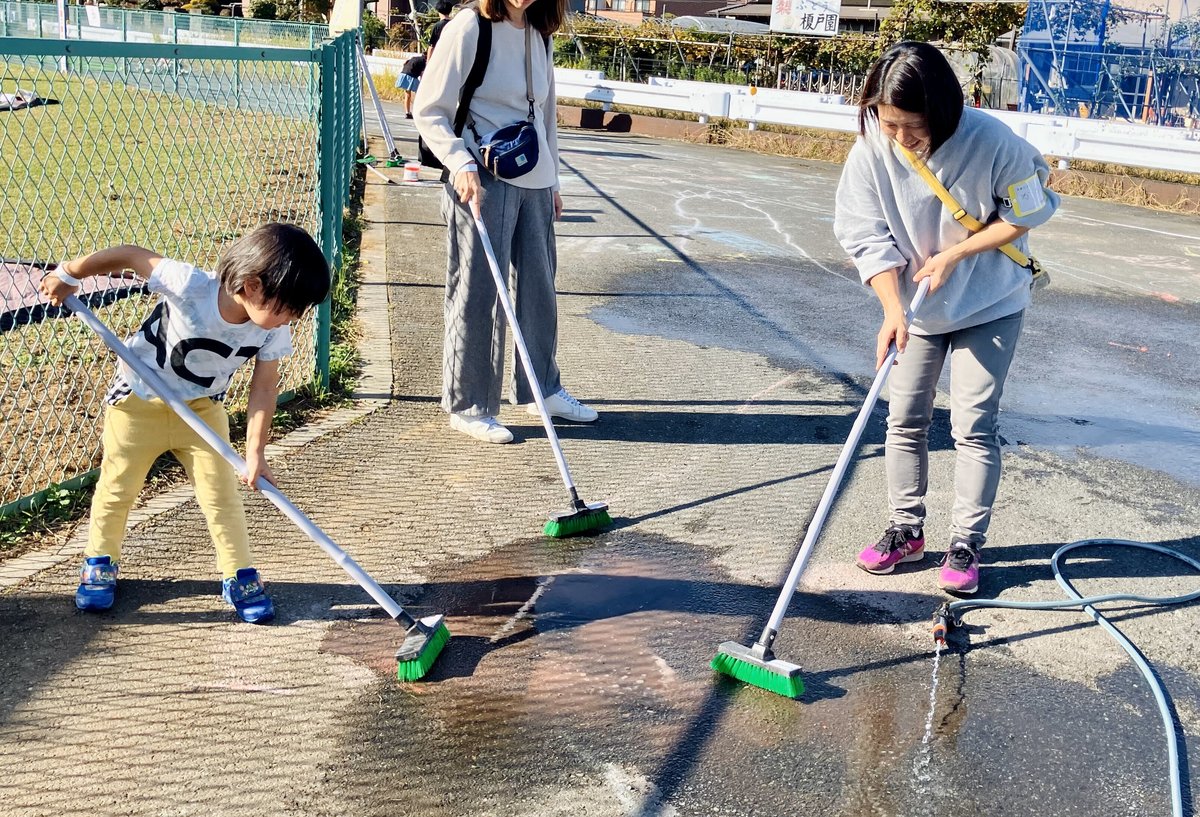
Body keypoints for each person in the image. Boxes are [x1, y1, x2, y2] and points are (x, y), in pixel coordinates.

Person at [833, 41, 1059, 594]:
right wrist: (892, 308)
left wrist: (956, 254)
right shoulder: (873, 146)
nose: (901, 137)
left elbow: (1027, 212)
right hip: (917, 306)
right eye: (889, 123)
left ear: (944, 108)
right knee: (904, 417)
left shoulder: (994, 142)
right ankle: (906, 530)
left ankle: (965, 543)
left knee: (973, 423)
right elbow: (864, 233)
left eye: (913, 126)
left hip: (990, 302)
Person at [39, 223, 331, 621]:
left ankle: (238, 573)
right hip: (136, 405)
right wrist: (69, 273)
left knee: (221, 495)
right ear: (252, 286)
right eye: (290, 307)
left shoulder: (272, 332)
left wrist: (256, 452)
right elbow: (131, 255)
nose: (293, 318)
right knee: (117, 488)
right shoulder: (190, 286)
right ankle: (100, 561)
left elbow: (264, 388)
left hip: (202, 412)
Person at [414, 0, 597, 445]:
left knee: (539, 290)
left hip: (534, 176)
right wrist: (459, 163)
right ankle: (469, 404)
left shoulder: (540, 31)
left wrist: (553, 181)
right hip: (480, 178)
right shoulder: (469, 27)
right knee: (478, 292)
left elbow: (546, 114)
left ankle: (541, 389)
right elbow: (428, 108)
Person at [396, 53, 426, 119]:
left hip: (403, 74)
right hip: (411, 76)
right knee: (419, 94)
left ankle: (407, 112)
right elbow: (422, 75)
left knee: (407, 95)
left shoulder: (414, 58)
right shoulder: (424, 62)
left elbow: (405, 63)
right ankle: (417, 112)